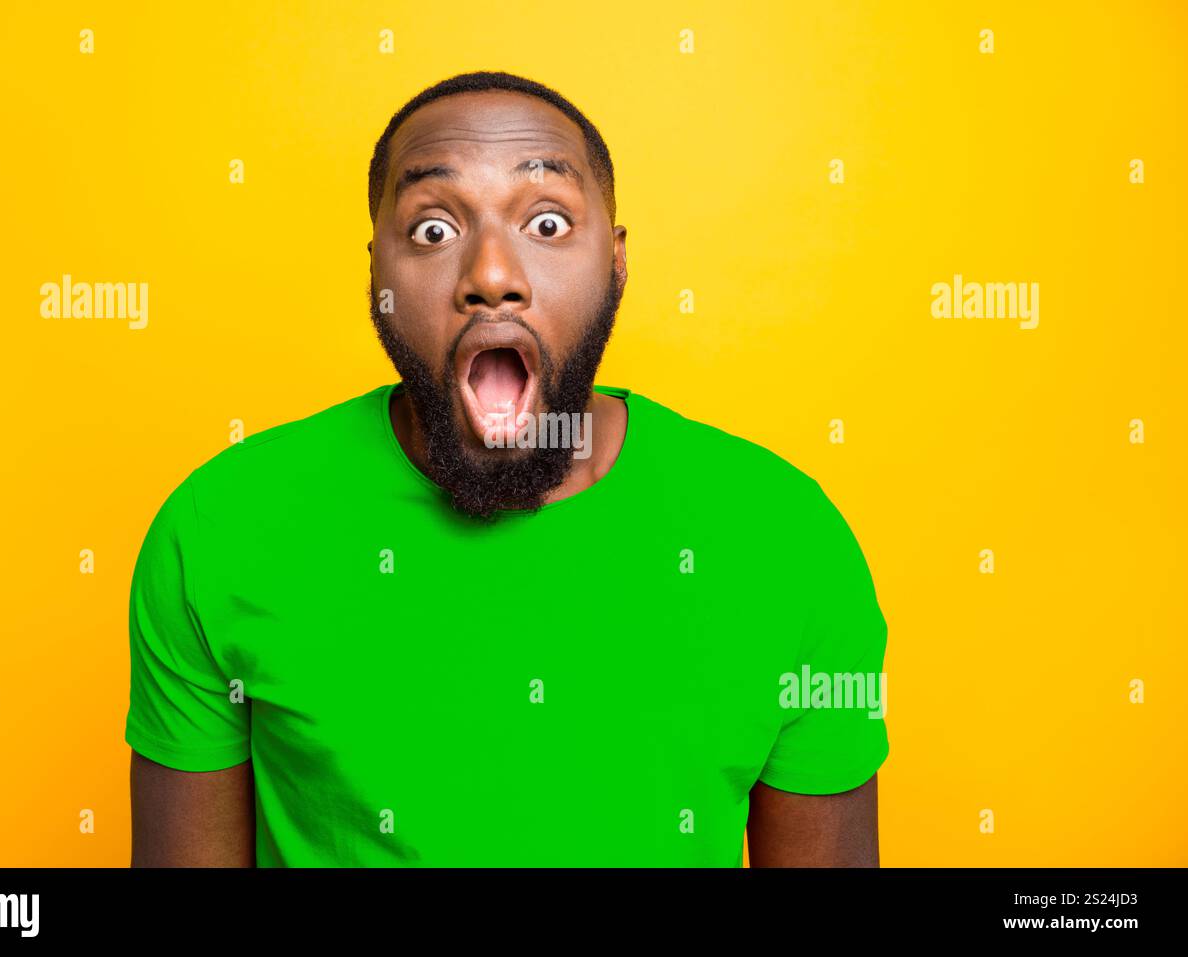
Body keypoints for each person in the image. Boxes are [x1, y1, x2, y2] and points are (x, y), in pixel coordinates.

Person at [127, 70, 889, 867]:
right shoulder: (221, 530)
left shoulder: (787, 540)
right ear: (376, 275)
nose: (490, 273)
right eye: (432, 231)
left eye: (549, 222)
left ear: (617, 264)